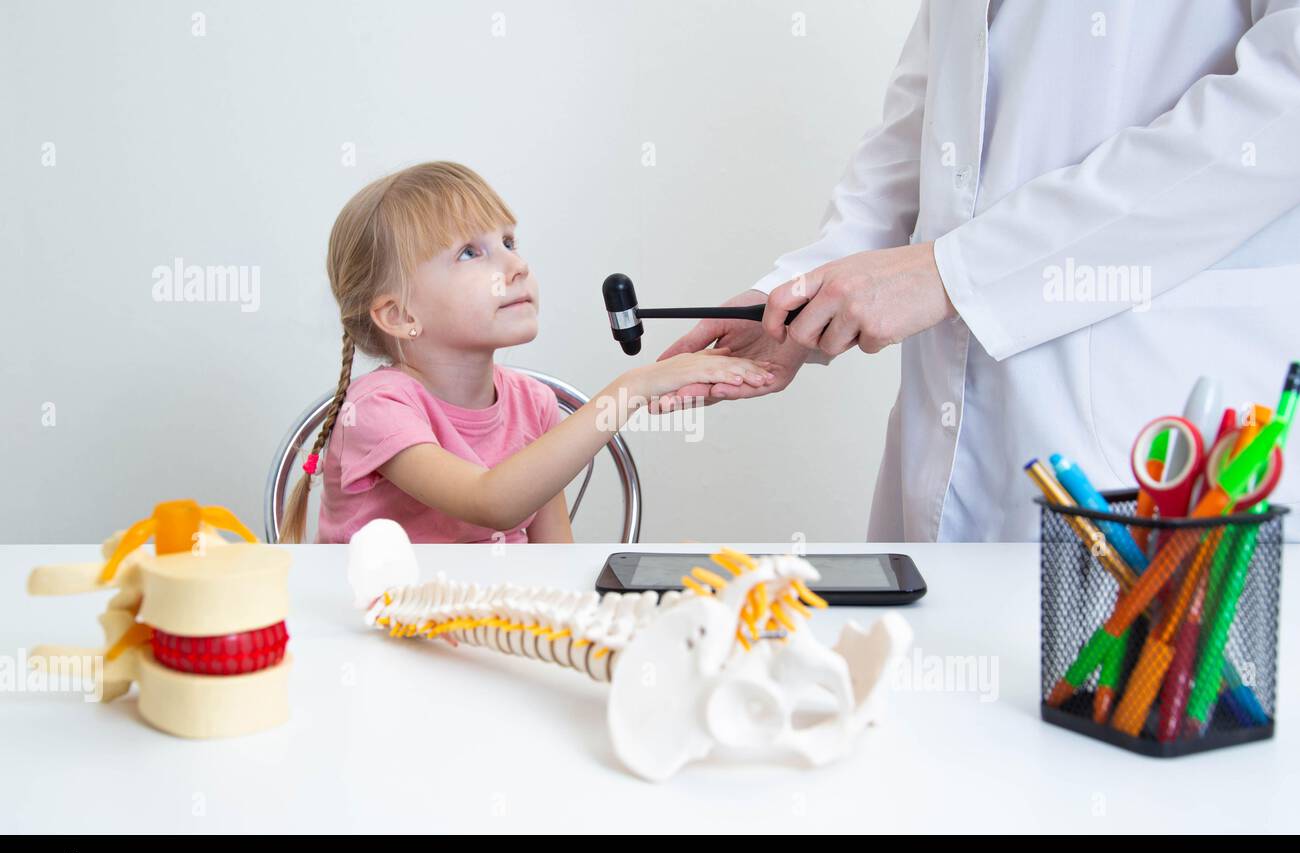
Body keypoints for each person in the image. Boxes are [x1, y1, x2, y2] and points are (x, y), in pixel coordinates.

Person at [661, 0, 1300, 541]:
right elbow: (927, 114)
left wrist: (954, 273)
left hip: (1144, 402)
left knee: (1140, 677)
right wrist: (799, 297)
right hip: (942, 439)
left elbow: (1283, 107)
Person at [279, 162, 774, 543]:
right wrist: (631, 389)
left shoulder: (533, 404)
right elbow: (491, 502)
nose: (515, 264)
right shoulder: (376, 410)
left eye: (509, 241)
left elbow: (553, 560)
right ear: (400, 315)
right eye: (469, 253)